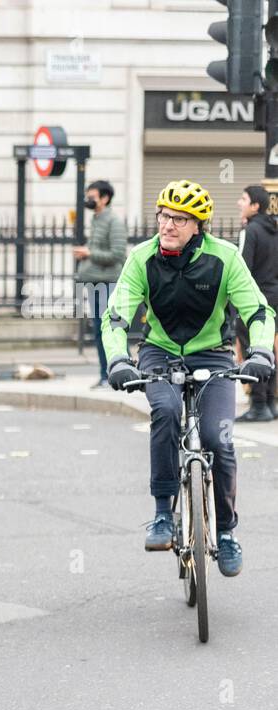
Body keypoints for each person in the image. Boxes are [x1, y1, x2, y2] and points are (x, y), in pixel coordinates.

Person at [102, 180, 276, 575]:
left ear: (199, 226)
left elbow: (259, 311)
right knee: (164, 412)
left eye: (180, 219)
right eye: (164, 216)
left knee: (219, 437)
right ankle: (163, 512)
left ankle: (228, 531)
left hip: (213, 354)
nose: (168, 225)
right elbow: (115, 315)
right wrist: (117, 360)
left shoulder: (225, 257)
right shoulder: (142, 258)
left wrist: (261, 350)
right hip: (159, 351)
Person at [74, 179, 127, 388]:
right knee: (98, 330)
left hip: (108, 283)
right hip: (94, 282)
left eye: (92, 196)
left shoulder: (113, 220)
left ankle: (113, 374)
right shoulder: (97, 219)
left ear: (104, 198)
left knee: (111, 330)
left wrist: (89, 253)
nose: (88, 199)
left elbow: (117, 254)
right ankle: (104, 374)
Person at [235, 185, 278, 421]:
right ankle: (270, 403)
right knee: (268, 349)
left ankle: (259, 405)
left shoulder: (249, 231)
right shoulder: (274, 230)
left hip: (253, 301)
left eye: (243, 199)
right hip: (274, 297)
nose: (239, 203)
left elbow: (242, 270)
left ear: (255, 206)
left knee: (253, 348)